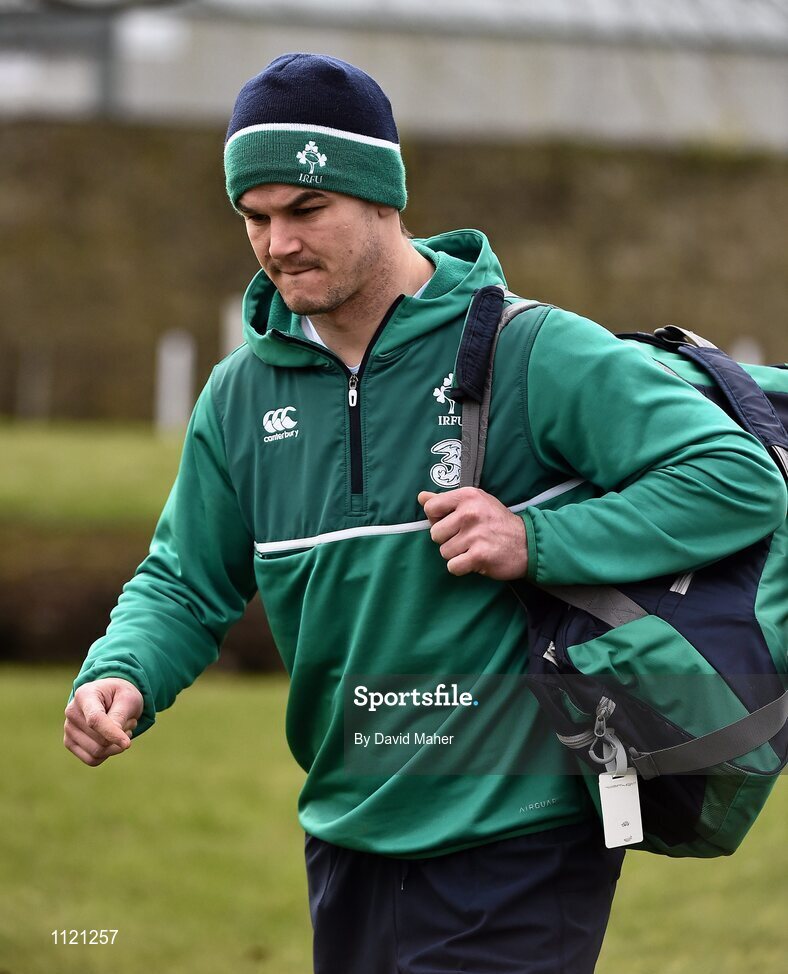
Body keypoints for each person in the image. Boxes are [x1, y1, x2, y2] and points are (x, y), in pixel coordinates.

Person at [64, 53, 786, 973]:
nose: (277, 242)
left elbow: (732, 475)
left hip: (515, 832)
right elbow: (184, 580)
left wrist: (537, 538)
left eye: (305, 210)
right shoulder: (237, 396)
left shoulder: (533, 350)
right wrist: (125, 672)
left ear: (382, 197)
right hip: (347, 827)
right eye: (255, 217)